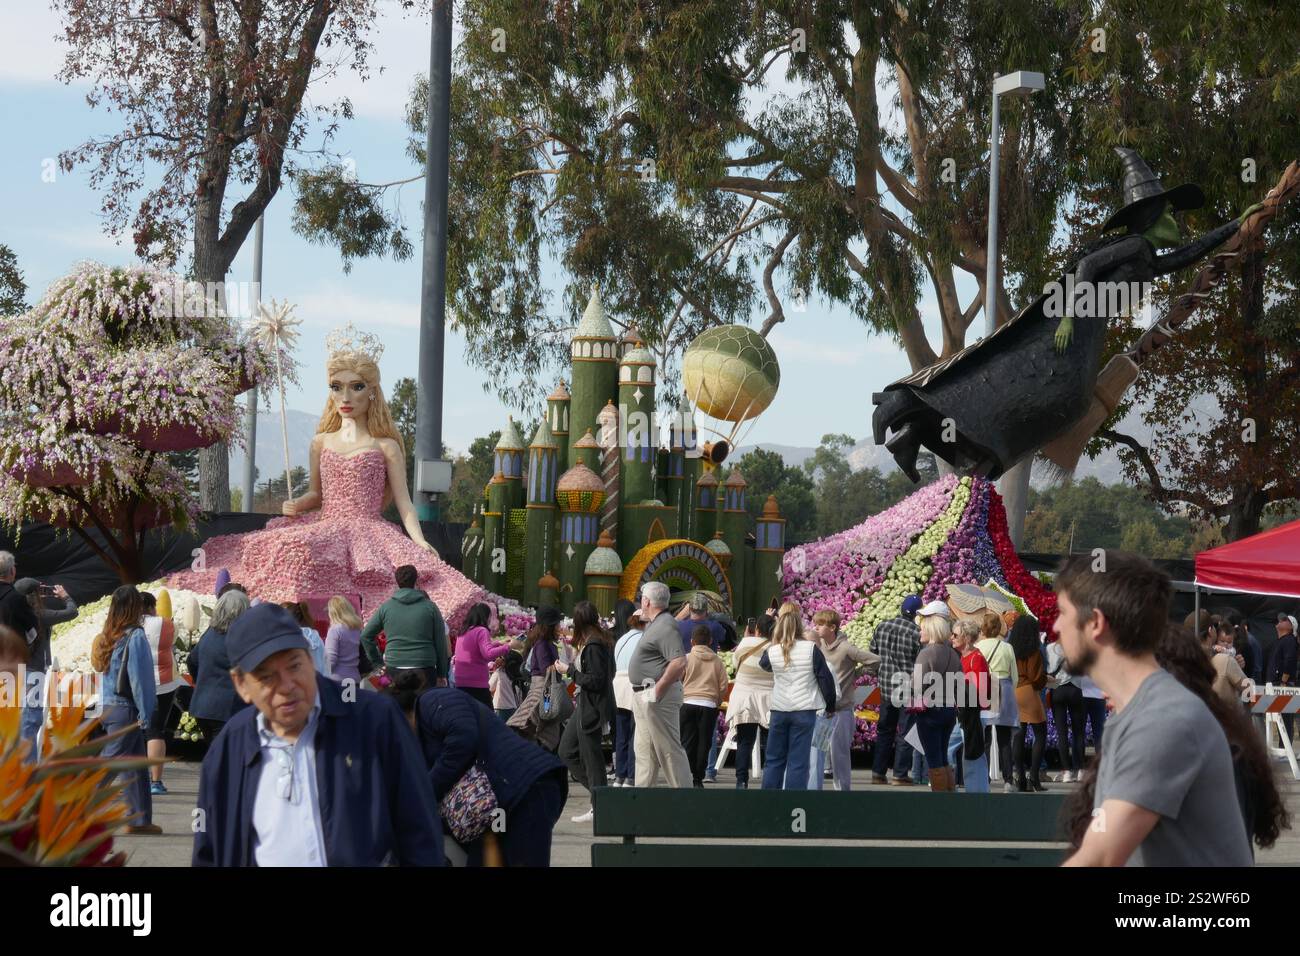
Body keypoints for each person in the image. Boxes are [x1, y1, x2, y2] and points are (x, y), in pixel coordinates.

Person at [167, 330, 484, 631]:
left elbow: (404, 503)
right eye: (336, 386)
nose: (345, 396)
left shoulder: (385, 446)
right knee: (286, 547)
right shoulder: (321, 442)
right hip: (324, 523)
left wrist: (419, 540)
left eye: (356, 386)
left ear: (372, 390)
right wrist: (298, 503)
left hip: (369, 533)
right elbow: (317, 494)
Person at [193, 602, 444, 866]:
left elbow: (420, 832)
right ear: (241, 685)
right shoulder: (230, 748)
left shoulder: (375, 721)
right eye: (267, 677)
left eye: (294, 666)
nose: (287, 686)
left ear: (310, 658)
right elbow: (208, 852)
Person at [1056, 551, 1252, 866]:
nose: (1055, 626)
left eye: (1062, 612)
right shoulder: (1138, 714)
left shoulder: (1164, 718)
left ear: (1095, 623)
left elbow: (1100, 857)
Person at [1064, 622, 1290, 860]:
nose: (1105, 688)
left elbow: (1103, 850)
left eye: (1124, 671)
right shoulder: (1218, 740)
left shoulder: (1177, 739)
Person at [387, 674, 568, 866]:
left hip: (524, 787)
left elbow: (463, 739)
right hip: (494, 805)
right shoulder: (420, 741)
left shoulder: (433, 701)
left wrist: (423, 791)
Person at [91, 585, 160, 834]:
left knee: (136, 767)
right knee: (109, 766)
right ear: (136, 607)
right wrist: (147, 711)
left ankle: (139, 820)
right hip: (126, 708)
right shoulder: (136, 636)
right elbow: (140, 679)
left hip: (109, 706)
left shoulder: (108, 635)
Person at [759, 602, 836, 790]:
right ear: (799, 626)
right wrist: (830, 706)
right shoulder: (811, 649)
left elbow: (764, 664)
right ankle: (793, 802)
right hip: (804, 710)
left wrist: (775, 642)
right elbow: (825, 679)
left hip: (779, 710)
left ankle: (767, 800)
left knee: (774, 760)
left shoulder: (773, 650)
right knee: (798, 762)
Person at [627, 581, 693, 788]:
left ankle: (685, 802)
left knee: (668, 750)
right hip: (646, 694)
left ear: (646, 601)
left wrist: (658, 689)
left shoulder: (664, 625)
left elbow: (679, 661)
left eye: (641, 599)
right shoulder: (660, 623)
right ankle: (641, 802)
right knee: (645, 751)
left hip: (656, 695)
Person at [558, 600, 615, 822]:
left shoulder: (594, 645)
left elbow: (596, 680)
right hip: (586, 704)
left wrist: (569, 670)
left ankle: (600, 801)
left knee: (591, 757)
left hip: (590, 705)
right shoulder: (599, 641)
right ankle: (600, 796)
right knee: (568, 751)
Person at [809, 608, 878, 790]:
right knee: (819, 753)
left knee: (840, 755)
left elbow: (875, 660)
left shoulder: (846, 647)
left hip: (842, 710)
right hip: (824, 710)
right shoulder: (818, 646)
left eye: (820, 624)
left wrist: (855, 674)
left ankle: (843, 793)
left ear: (832, 627)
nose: (816, 627)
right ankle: (814, 791)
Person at [360, 564, 451, 690]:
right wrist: (441, 673)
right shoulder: (431, 607)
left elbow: (365, 636)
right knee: (423, 707)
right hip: (424, 667)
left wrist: (378, 664)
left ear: (397, 582)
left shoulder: (386, 607)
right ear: (416, 580)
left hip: (394, 667)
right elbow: (440, 643)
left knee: (398, 706)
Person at [12, 577, 77, 743]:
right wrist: (64, 596)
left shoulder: (9, 612)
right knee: (31, 720)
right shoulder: (40, 615)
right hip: (33, 671)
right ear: (35, 595)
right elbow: (72, 612)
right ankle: (28, 763)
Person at [871, 594, 924, 785]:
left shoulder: (882, 626)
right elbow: (920, 662)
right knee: (905, 731)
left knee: (885, 730)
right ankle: (900, 774)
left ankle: (878, 773)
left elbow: (873, 652)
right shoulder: (917, 633)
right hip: (908, 689)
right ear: (917, 613)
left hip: (885, 686)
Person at [188, 588, 252, 742]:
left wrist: (203, 682)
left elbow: (192, 660)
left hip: (203, 707)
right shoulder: (240, 638)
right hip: (227, 709)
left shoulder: (210, 632)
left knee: (218, 757)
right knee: (228, 760)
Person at [138, 591, 183, 796]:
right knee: (156, 731)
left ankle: (135, 779)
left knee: (136, 731)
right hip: (164, 684)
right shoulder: (165, 624)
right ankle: (155, 781)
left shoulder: (126, 624)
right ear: (152, 606)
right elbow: (174, 639)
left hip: (136, 682)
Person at [910, 613, 961, 791]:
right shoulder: (954, 654)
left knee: (933, 759)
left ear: (931, 631)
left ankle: (940, 801)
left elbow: (917, 684)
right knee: (943, 756)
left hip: (930, 711)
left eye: (922, 629)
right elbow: (959, 684)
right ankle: (949, 793)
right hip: (948, 710)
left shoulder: (926, 654)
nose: (920, 632)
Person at [507, 605, 566, 752]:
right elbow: (547, 669)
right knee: (545, 722)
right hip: (543, 693)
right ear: (550, 626)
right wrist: (562, 667)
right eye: (557, 624)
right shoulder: (542, 645)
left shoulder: (546, 644)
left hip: (544, 692)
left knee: (545, 725)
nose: (560, 627)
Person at [974, 608, 1019, 792]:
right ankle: (1008, 780)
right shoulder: (1007, 647)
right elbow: (1014, 675)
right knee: (1004, 739)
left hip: (985, 688)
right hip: (1005, 688)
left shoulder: (978, 647)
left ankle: (984, 777)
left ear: (983, 628)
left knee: (984, 738)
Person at [728, 613, 774, 789]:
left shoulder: (744, 643)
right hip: (769, 699)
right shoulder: (775, 646)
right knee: (770, 742)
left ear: (756, 629)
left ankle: (741, 781)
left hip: (744, 697)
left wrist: (747, 639)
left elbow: (734, 664)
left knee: (744, 742)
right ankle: (770, 780)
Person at [679, 623, 728, 789]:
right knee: (704, 742)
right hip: (708, 705)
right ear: (710, 641)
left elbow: (678, 680)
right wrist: (716, 701)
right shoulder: (717, 661)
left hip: (687, 703)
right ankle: (698, 778)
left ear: (692, 641)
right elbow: (723, 685)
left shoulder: (686, 658)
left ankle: (686, 774)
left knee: (687, 741)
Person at [453, 602, 521, 709]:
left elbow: (476, 650)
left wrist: (499, 643)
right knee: (487, 720)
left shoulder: (463, 632)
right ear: (486, 617)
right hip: (477, 684)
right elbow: (488, 654)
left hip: (460, 682)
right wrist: (509, 646)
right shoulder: (481, 630)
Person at [1008, 615, 1048, 792]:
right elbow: (1035, 677)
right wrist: (1045, 680)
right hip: (1028, 691)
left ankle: (1021, 777)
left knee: (1019, 735)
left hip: (1013, 690)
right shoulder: (1034, 651)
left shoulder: (1010, 649)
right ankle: (1034, 777)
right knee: (1040, 733)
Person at [950, 618, 990, 792]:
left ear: (966, 637)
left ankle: (978, 792)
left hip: (971, 714)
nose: (951, 637)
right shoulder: (962, 657)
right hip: (961, 714)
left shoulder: (976, 659)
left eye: (955, 634)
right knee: (964, 751)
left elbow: (980, 691)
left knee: (974, 754)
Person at [1045, 632, 1086, 783]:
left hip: (1057, 690)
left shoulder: (1050, 648)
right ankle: (1081, 770)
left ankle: (1066, 771)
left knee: (1061, 733)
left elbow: (1048, 669)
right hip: (1075, 689)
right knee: (1078, 732)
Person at [611, 599, 643, 787]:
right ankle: (631, 776)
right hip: (635, 687)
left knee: (622, 734)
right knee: (634, 734)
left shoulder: (621, 639)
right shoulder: (643, 639)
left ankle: (619, 776)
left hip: (618, 688)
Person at [324, 595, 364, 684]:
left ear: (333, 612)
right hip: (355, 678)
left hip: (337, 680)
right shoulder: (357, 629)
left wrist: (322, 674)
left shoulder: (334, 630)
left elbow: (331, 658)